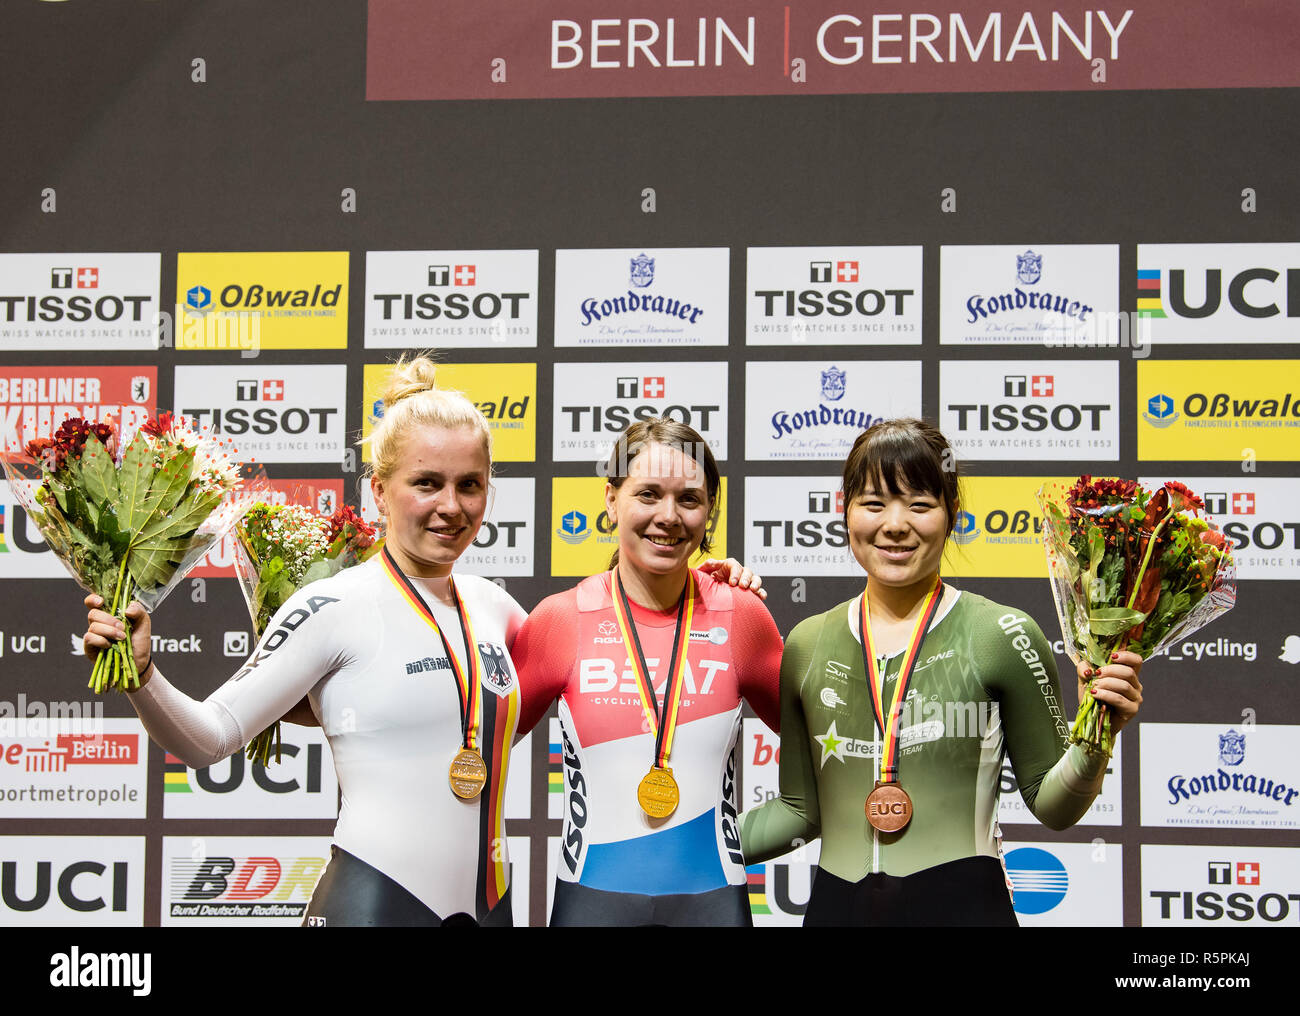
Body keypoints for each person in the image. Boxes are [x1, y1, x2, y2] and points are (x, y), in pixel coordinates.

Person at [83, 356, 528, 926]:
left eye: (470, 485)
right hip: (374, 906)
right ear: (379, 492)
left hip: (491, 911)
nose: (451, 506)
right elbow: (209, 739)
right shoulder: (334, 607)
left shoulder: (498, 611)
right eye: (426, 483)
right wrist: (142, 676)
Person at [738, 418, 1143, 926]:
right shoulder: (807, 642)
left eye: (920, 504)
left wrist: (1097, 736)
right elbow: (800, 813)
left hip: (966, 910)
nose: (895, 523)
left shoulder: (1002, 633)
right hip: (835, 912)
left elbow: (1053, 807)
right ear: (844, 512)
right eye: (874, 502)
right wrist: (679, 849)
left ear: (953, 515)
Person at [512, 418, 784, 926]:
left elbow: (827, 751)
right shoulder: (560, 619)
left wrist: (745, 836)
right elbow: (474, 743)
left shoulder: (741, 615)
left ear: (709, 513)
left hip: (714, 902)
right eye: (649, 494)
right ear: (612, 499)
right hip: (590, 901)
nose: (669, 517)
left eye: (689, 499)